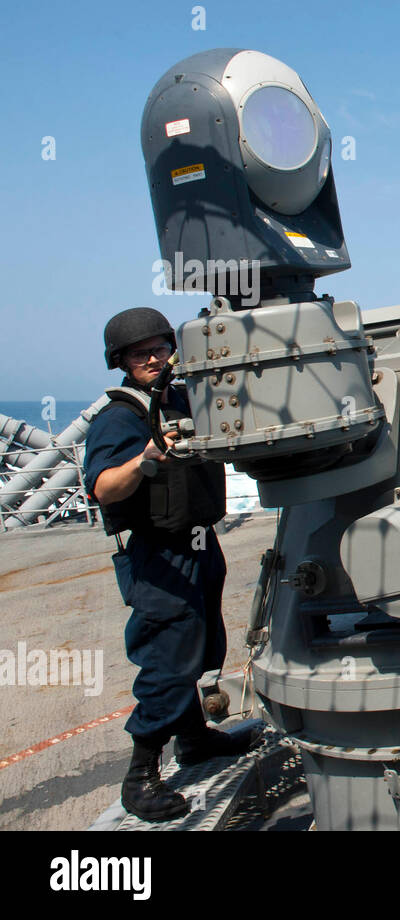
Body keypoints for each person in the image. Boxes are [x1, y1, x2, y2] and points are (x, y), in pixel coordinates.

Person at [84, 307, 258, 822]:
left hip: (199, 541)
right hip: (159, 552)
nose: (156, 359)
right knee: (168, 656)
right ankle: (140, 776)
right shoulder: (118, 418)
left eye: (161, 349)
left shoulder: (182, 399)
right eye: (142, 354)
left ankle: (194, 740)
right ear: (122, 362)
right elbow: (101, 486)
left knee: (201, 644)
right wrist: (143, 460)